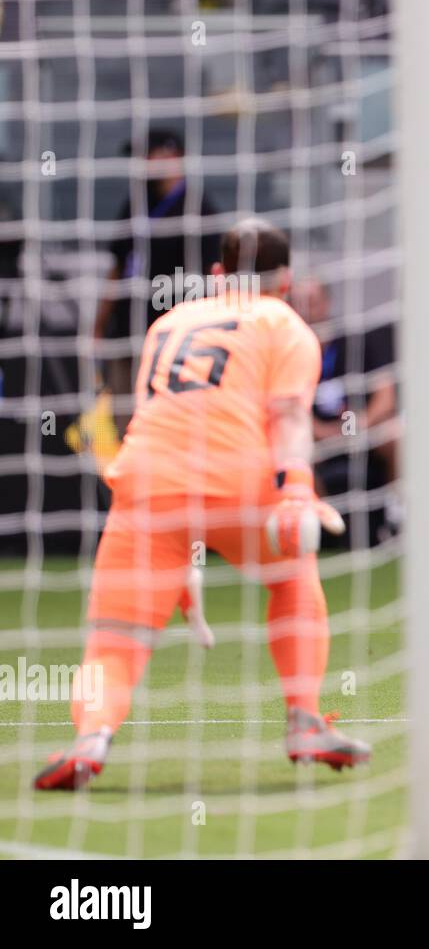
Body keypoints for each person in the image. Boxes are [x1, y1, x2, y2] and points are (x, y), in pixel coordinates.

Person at [36, 219, 371, 790]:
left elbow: (148, 415)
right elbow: (288, 417)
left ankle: (90, 739)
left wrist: (182, 549)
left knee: (114, 634)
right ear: (285, 280)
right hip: (239, 476)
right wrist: (295, 490)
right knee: (294, 577)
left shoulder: (168, 321)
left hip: (145, 481)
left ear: (216, 274)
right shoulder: (284, 324)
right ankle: (304, 720)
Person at [96, 129, 221, 437]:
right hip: (126, 333)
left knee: (162, 425)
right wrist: (99, 324)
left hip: (171, 341)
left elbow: (211, 277)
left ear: (171, 155)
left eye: (148, 154)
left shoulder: (198, 209)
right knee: (126, 425)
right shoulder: (139, 202)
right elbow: (118, 265)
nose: (143, 163)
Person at [290, 276, 399, 544]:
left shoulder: (356, 341)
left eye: (312, 303)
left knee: (396, 435)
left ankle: (398, 518)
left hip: (362, 432)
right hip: (314, 437)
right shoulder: (288, 350)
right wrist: (321, 431)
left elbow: (386, 395)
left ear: (326, 304)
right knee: (291, 451)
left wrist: (363, 423)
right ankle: (325, 528)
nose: (306, 311)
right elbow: (285, 405)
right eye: (299, 304)